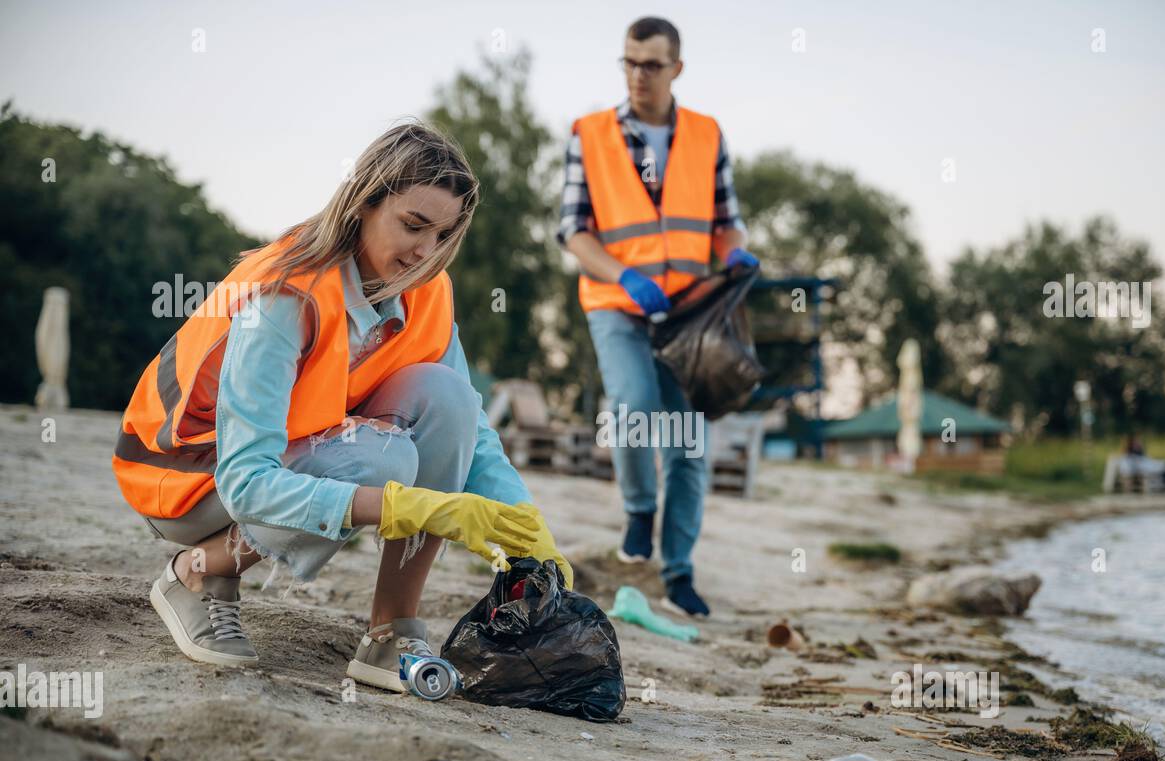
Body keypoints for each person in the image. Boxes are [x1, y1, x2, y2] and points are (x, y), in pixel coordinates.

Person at [112, 121, 571, 692]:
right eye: (413, 225)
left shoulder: (430, 290)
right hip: (185, 477)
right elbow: (247, 484)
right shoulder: (283, 296)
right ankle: (197, 574)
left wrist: (526, 526)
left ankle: (391, 632)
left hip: (295, 458)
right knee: (381, 460)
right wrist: (409, 507)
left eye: (444, 235)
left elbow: (468, 428)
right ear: (362, 202)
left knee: (447, 397)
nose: (426, 252)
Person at [557, 15, 757, 618]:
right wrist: (624, 276)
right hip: (620, 304)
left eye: (651, 64)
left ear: (677, 68)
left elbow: (726, 223)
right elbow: (573, 230)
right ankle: (640, 508)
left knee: (689, 446)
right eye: (629, 62)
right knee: (635, 407)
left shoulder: (706, 134)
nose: (638, 75)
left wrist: (736, 254)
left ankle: (679, 572)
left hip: (691, 315)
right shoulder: (588, 134)